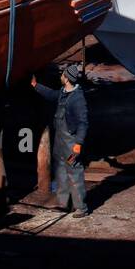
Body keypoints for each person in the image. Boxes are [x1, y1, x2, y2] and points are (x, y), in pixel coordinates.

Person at [32, 62, 90, 218]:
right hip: (59, 139)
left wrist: (78, 143)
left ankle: (81, 208)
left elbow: (83, 123)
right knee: (60, 172)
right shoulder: (63, 92)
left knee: (74, 172)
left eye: (63, 74)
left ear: (67, 78)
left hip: (71, 141)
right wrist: (36, 85)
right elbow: (51, 94)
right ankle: (64, 203)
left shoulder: (78, 99)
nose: (61, 76)